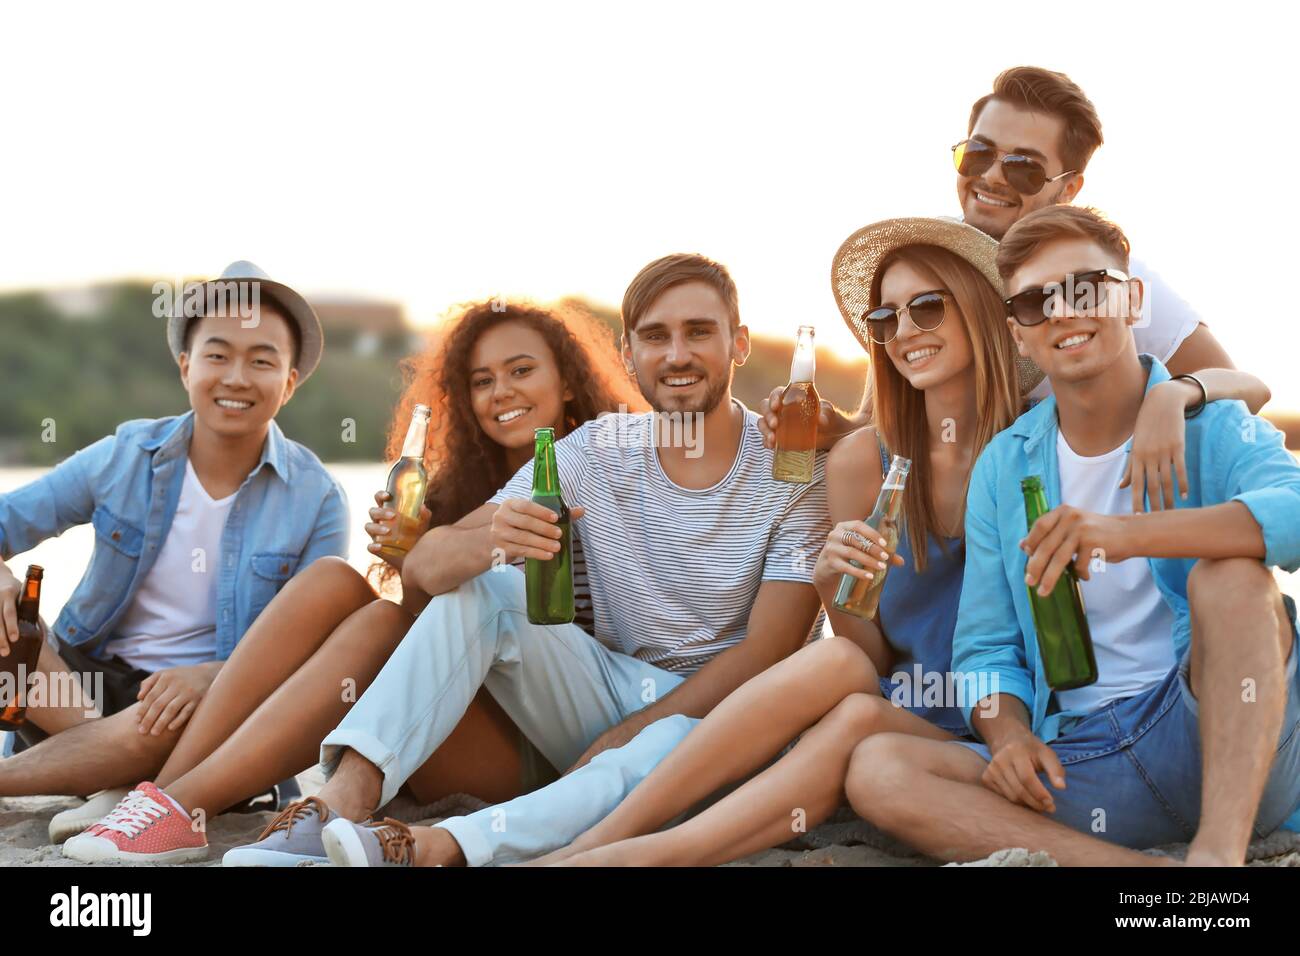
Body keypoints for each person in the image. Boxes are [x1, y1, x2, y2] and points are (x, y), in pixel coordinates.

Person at [519, 217, 1270, 867]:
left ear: (983, 313)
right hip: (924, 709)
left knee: (853, 713)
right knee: (841, 665)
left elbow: (1206, 394)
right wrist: (836, 590)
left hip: (1020, 712)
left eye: (928, 307)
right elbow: (867, 653)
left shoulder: (1036, 439)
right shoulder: (861, 461)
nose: (907, 331)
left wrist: (1182, 390)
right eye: (888, 320)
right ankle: (618, 843)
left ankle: (637, 850)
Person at [227, 252, 832, 867]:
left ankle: (439, 848)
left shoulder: (795, 466)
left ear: (741, 344)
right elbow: (427, 568)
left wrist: (627, 734)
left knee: (667, 736)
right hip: (613, 691)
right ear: (629, 355)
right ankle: (336, 805)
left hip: (736, 728)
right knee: (486, 587)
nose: (676, 354)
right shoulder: (598, 450)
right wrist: (488, 542)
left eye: (698, 332)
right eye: (655, 336)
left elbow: (767, 657)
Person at [53, 298, 644, 863]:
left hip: (545, 747)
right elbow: (422, 616)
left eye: (521, 371)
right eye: (482, 381)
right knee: (336, 582)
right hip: (442, 721)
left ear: (566, 381)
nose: (501, 392)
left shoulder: (599, 465)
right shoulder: (453, 489)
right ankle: (164, 795)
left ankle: (178, 802)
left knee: (388, 618)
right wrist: (416, 551)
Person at [845, 205, 1300, 866]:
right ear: (1017, 333)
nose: (1063, 311)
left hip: (1221, 738)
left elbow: (1293, 512)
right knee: (878, 770)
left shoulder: (1212, 427)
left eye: (1085, 288)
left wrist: (1126, 533)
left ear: (1132, 299)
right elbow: (984, 645)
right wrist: (1006, 736)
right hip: (1084, 758)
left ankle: (1218, 860)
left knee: (1230, 576)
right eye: (1035, 302)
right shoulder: (1006, 464)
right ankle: (1147, 875)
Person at [765, 67, 1259, 514]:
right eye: (978, 153)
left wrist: (1171, 398)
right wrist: (840, 433)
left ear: (1068, 189)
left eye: (1023, 167)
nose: (991, 176)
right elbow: (898, 430)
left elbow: (1239, 391)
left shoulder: (1100, 280)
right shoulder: (925, 269)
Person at [0, 261, 348, 813]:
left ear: (289, 383)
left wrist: (215, 676)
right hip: (77, 694)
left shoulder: (317, 497)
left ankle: (93, 781)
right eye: (217, 355)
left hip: (201, 717)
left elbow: (321, 646)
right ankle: (114, 784)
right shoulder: (125, 455)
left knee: (183, 711)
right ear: (186, 367)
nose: (235, 377)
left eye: (261, 360)